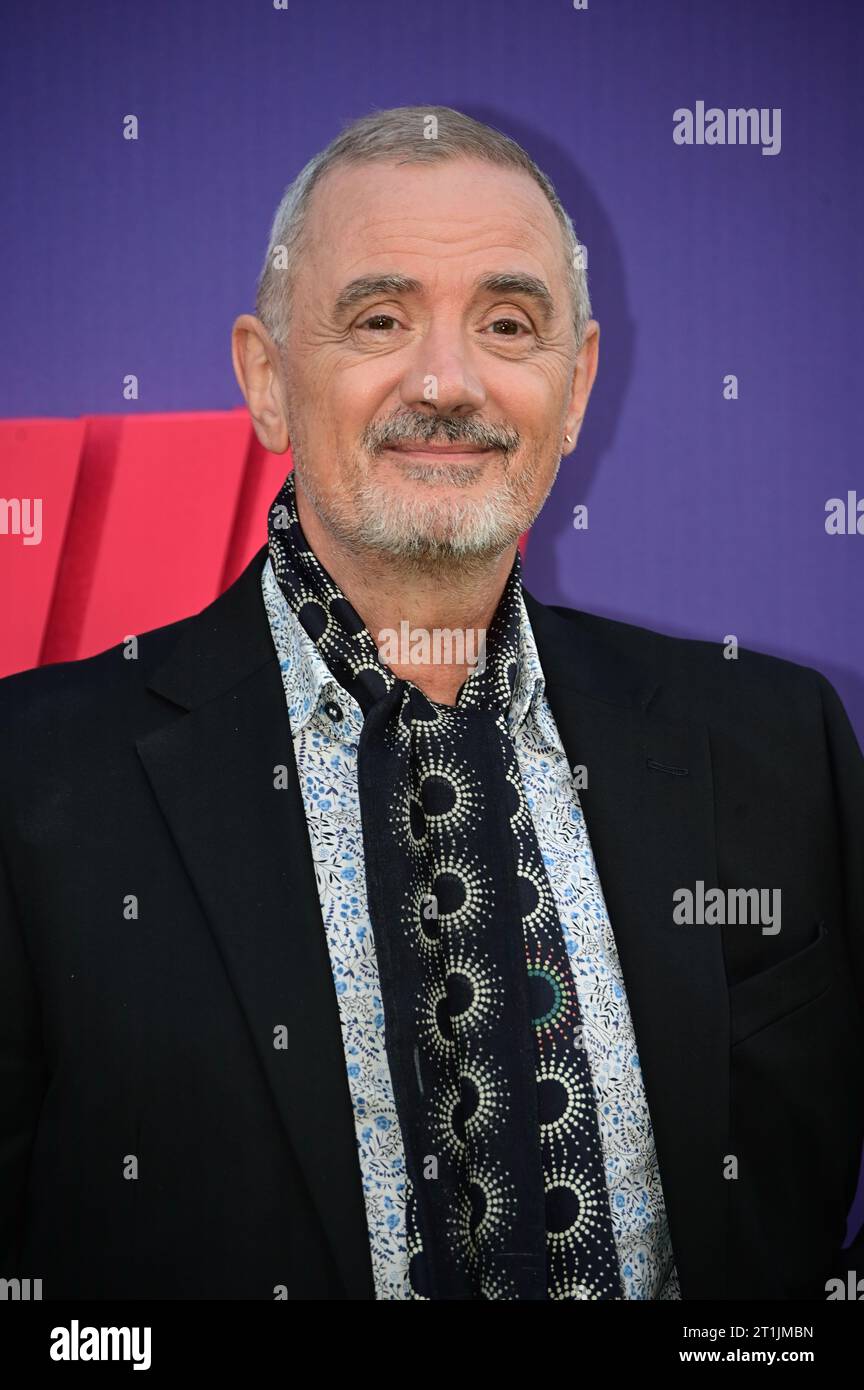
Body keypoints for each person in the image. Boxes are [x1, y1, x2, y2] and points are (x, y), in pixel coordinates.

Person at [1, 105, 862, 1301]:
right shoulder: (31, 782)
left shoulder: (777, 744)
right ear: (266, 378)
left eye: (509, 324)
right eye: (379, 319)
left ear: (576, 385)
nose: (448, 381)